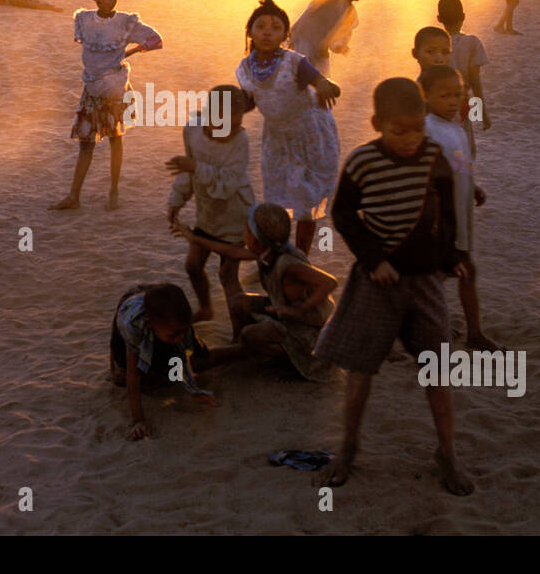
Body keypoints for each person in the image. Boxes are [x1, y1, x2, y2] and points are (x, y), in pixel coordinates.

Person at [313, 78, 472, 494]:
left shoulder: (434, 156)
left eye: (417, 128)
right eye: (398, 131)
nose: (409, 139)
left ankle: (447, 452)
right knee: (361, 369)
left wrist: (451, 256)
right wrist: (373, 259)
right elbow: (344, 214)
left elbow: (447, 209)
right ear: (377, 123)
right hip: (377, 282)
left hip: (424, 282)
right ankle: (347, 449)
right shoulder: (362, 161)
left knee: (437, 371)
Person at [172, 202, 337, 381]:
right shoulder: (267, 252)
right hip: (284, 314)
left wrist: (300, 310)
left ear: (256, 240)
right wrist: (194, 238)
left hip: (310, 332)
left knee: (250, 334)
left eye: (246, 230)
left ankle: (252, 353)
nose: (243, 234)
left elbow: (329, 282)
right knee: (238, 303)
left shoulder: (288, 264)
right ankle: (239, 346)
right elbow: (231, 252)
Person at [235, 0, 341, 254]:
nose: (267, 32)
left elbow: (321, 82)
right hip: (277, 139)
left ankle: (302, 255)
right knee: (276, 199)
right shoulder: (245, 68)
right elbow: (250, 102)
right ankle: (275, 251)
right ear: (250, 32)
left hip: (310, 133)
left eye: (275, 27)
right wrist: (229, 113)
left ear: (285, 35)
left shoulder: (294, 61)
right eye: (260, 26)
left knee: (308, 199)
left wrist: (328, 86)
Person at [50, 0, 162, 211]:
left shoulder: (126, 23)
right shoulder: (84, 20)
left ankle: (113, 192)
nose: (107, 1)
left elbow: (155, 39)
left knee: (115, 140)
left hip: (115, 90)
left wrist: (129, 53)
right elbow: (87, 47)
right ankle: (74, 196)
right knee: (86, 144)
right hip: (91, 88)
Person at [420, 65, 500, 351]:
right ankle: (463, 332)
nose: (453, 101)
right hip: (441, 220)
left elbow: (460, 165)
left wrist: (472, 186)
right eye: (445, 96)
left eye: (458, 94)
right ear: (425, 96)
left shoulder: (454, 127)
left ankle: (471, 332)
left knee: (458, 272)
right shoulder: (427, 128)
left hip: (459, 216)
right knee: (444, 275)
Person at [166, 86, 253, 322]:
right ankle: (206, 308)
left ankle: (240, 328)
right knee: (193, 266)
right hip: (207, 213)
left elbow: (229, 183)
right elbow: (187, 170)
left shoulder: (240, 140)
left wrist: (195, 168)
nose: (232, 131)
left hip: (234, 213)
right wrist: (177, 200)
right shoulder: (192, 130)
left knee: (228, 276)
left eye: (236, 125)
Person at [109, 283, 239, 440]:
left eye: (183, 332)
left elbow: (179, 355)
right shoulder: (133, 326)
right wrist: (138, 420)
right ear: (150, 325)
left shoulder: (179, 325)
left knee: (183, 369)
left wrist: (192, 390)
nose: (179, 338)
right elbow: (133, 375)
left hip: (161, 303)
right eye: (174, 334)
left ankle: (243, 349)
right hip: (131, 305)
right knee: (120, 377)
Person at [437, 0, 492, 156]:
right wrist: (482, 114)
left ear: (439, 18)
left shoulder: (435, 44)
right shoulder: (472, 43)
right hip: (460, 103)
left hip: (436, 103)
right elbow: (475, 82)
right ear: (463, 16)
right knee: (464, 149)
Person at [290, 0, 370, 77]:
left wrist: (340, 46)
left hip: (320, 52)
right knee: (297, 76)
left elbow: (340, 38)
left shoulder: (351, 14)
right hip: (302, 40)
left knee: (325, 84)